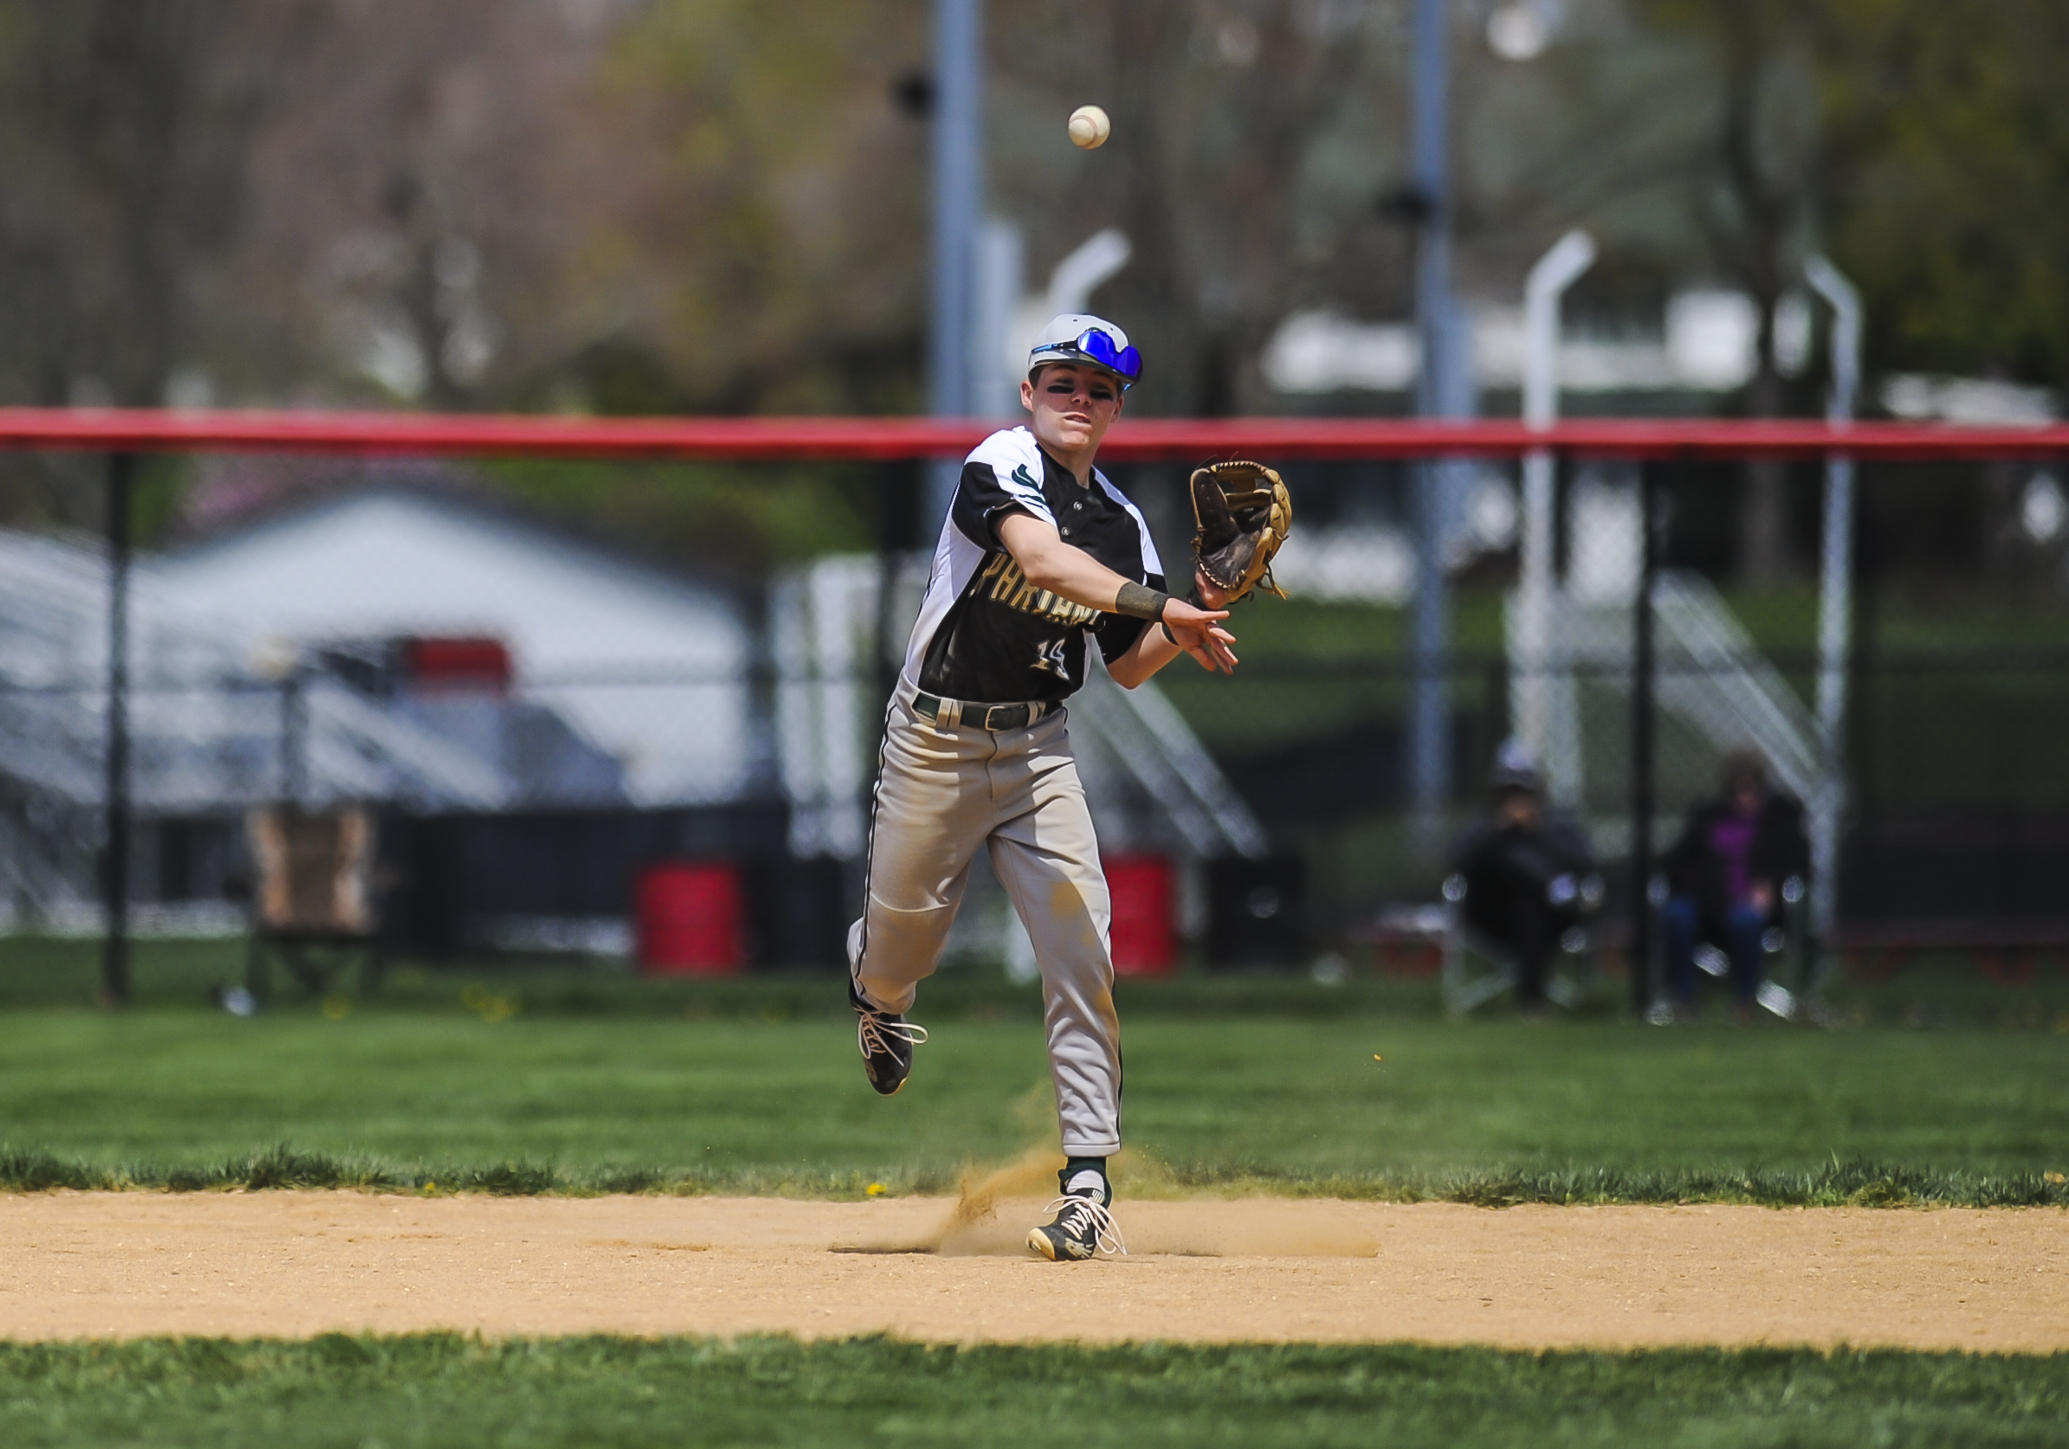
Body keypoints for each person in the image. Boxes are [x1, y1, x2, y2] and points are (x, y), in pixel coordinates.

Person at [846, 314, 1239, 1262]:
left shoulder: (1119, 519)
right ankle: (878, 997)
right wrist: (1161, 602)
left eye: (1099, 389)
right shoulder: (1000, 461)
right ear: (1029, 393)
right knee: (902, 943)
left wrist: (1206, 601)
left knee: (1081, 949)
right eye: (1061, 381)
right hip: (932, 740)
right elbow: (1039, 560)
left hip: (1037, 753)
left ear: (1116, 410)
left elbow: (1132, 663)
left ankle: (1089, 1187)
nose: (1079, 399)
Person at [1448, 742, 1601, 1015]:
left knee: (1529, 904)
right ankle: (1532, 1001)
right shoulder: (1482, 828)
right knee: (1513, 873)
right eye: (1509, 792)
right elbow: (1460, 864)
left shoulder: (1557, 827)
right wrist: (1500, 831)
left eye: (1523, 792)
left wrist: (1536, 833)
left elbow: (1583, 864)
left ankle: (1531, 1002)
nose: (1516, 800)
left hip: (1547, 920)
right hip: (1493, 915)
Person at [1660, 749, 1810, 1017]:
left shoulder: (1779, 821)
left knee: (1745, 921)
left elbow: (1796, 862)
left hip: (1750, 904)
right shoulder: (1707, 819)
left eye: (1750, 789)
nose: (1744, 797)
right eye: (1738, 790)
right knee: (1676, 915)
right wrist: (1697, 887)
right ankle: (1684, 997)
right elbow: (1678, 861)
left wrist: (1770, 885)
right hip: (1707, 901)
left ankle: (1745, 999)